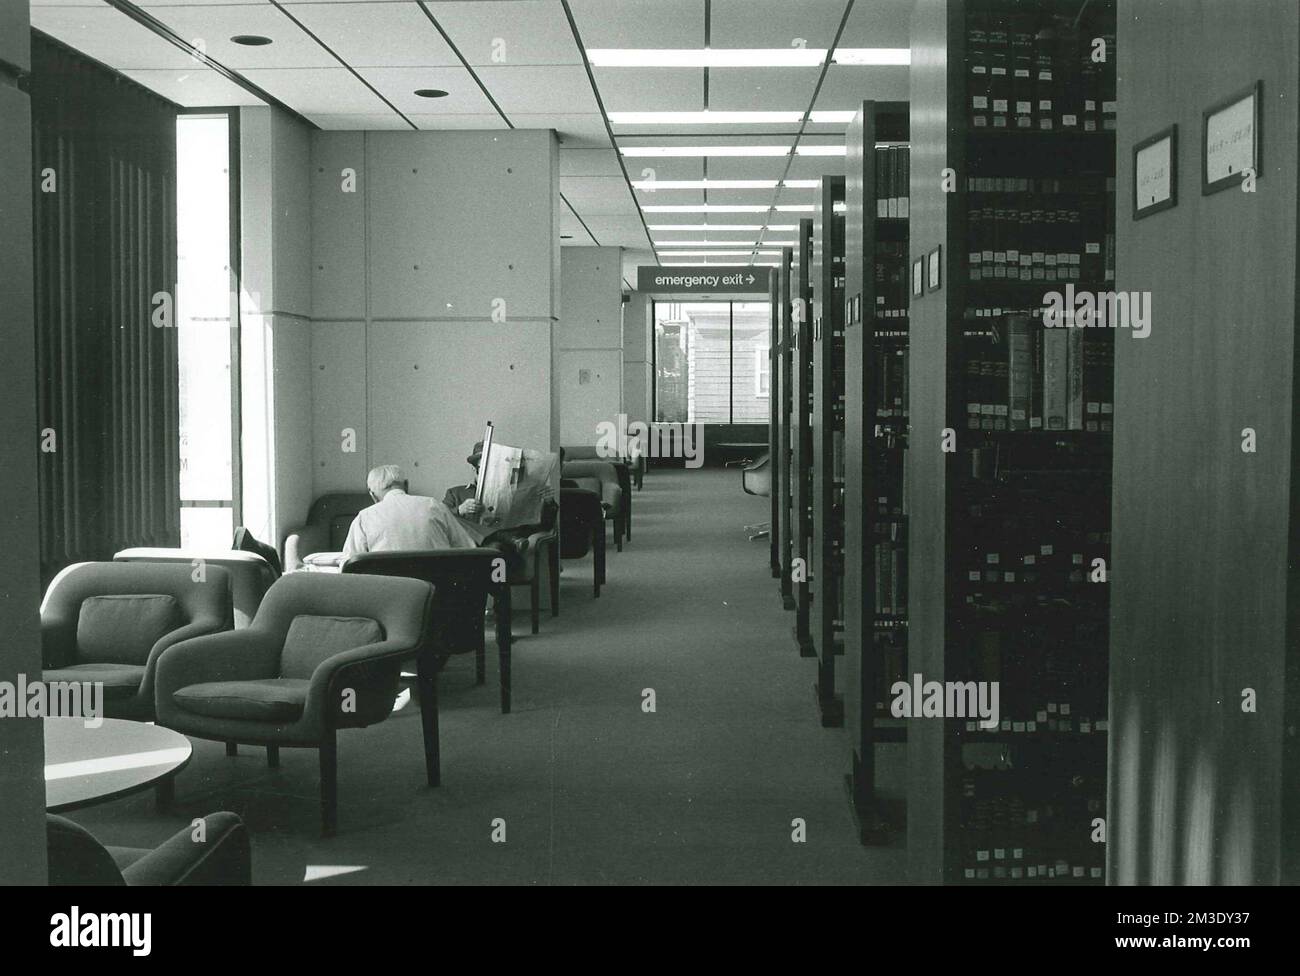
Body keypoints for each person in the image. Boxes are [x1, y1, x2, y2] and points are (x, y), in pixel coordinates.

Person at [341, 464, 478, 561]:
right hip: (437, 592)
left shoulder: (364, 517)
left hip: (389, 594)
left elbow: (350, 563)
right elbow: (468, 548)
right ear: (406, 484)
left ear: (372, 495)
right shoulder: (434, 505)